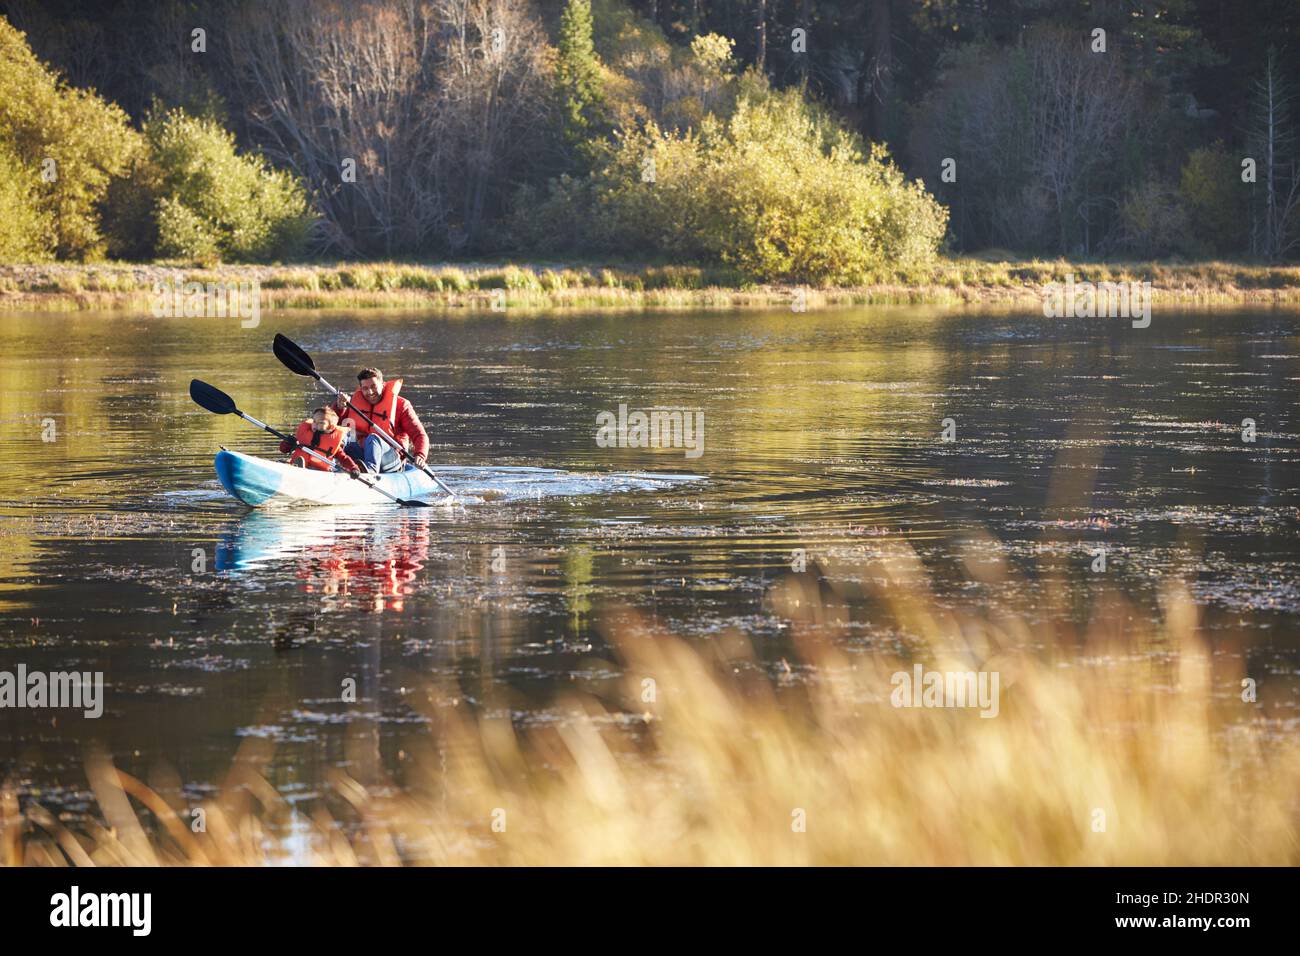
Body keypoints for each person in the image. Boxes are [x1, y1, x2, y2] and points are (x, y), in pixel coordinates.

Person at [335, 366, 429, 474]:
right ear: (361, 389)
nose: (370, 392)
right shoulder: (353, 404)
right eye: (365, 388)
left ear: (382, 384)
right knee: (344, 436)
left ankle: (371, 472)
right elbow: (333, 424)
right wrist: (339, 407)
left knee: (373, 438)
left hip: (391, 460)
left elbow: (419, 434)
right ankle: (334, 465)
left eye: (374, 386)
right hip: (361, 455)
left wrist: (420, 455)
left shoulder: (402, 405)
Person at [280, 406, 361, 474]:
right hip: (299, 468)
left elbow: (344, 458)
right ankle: (297, 467)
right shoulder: (304, 435)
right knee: (292, 461)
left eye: (321, 423)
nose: (315, 424)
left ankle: (300, 470)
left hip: (320, 473)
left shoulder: (332, 442)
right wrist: (287, 443)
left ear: (330, 427)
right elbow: (284, 450)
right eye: (314, 421)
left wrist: (354, 468)